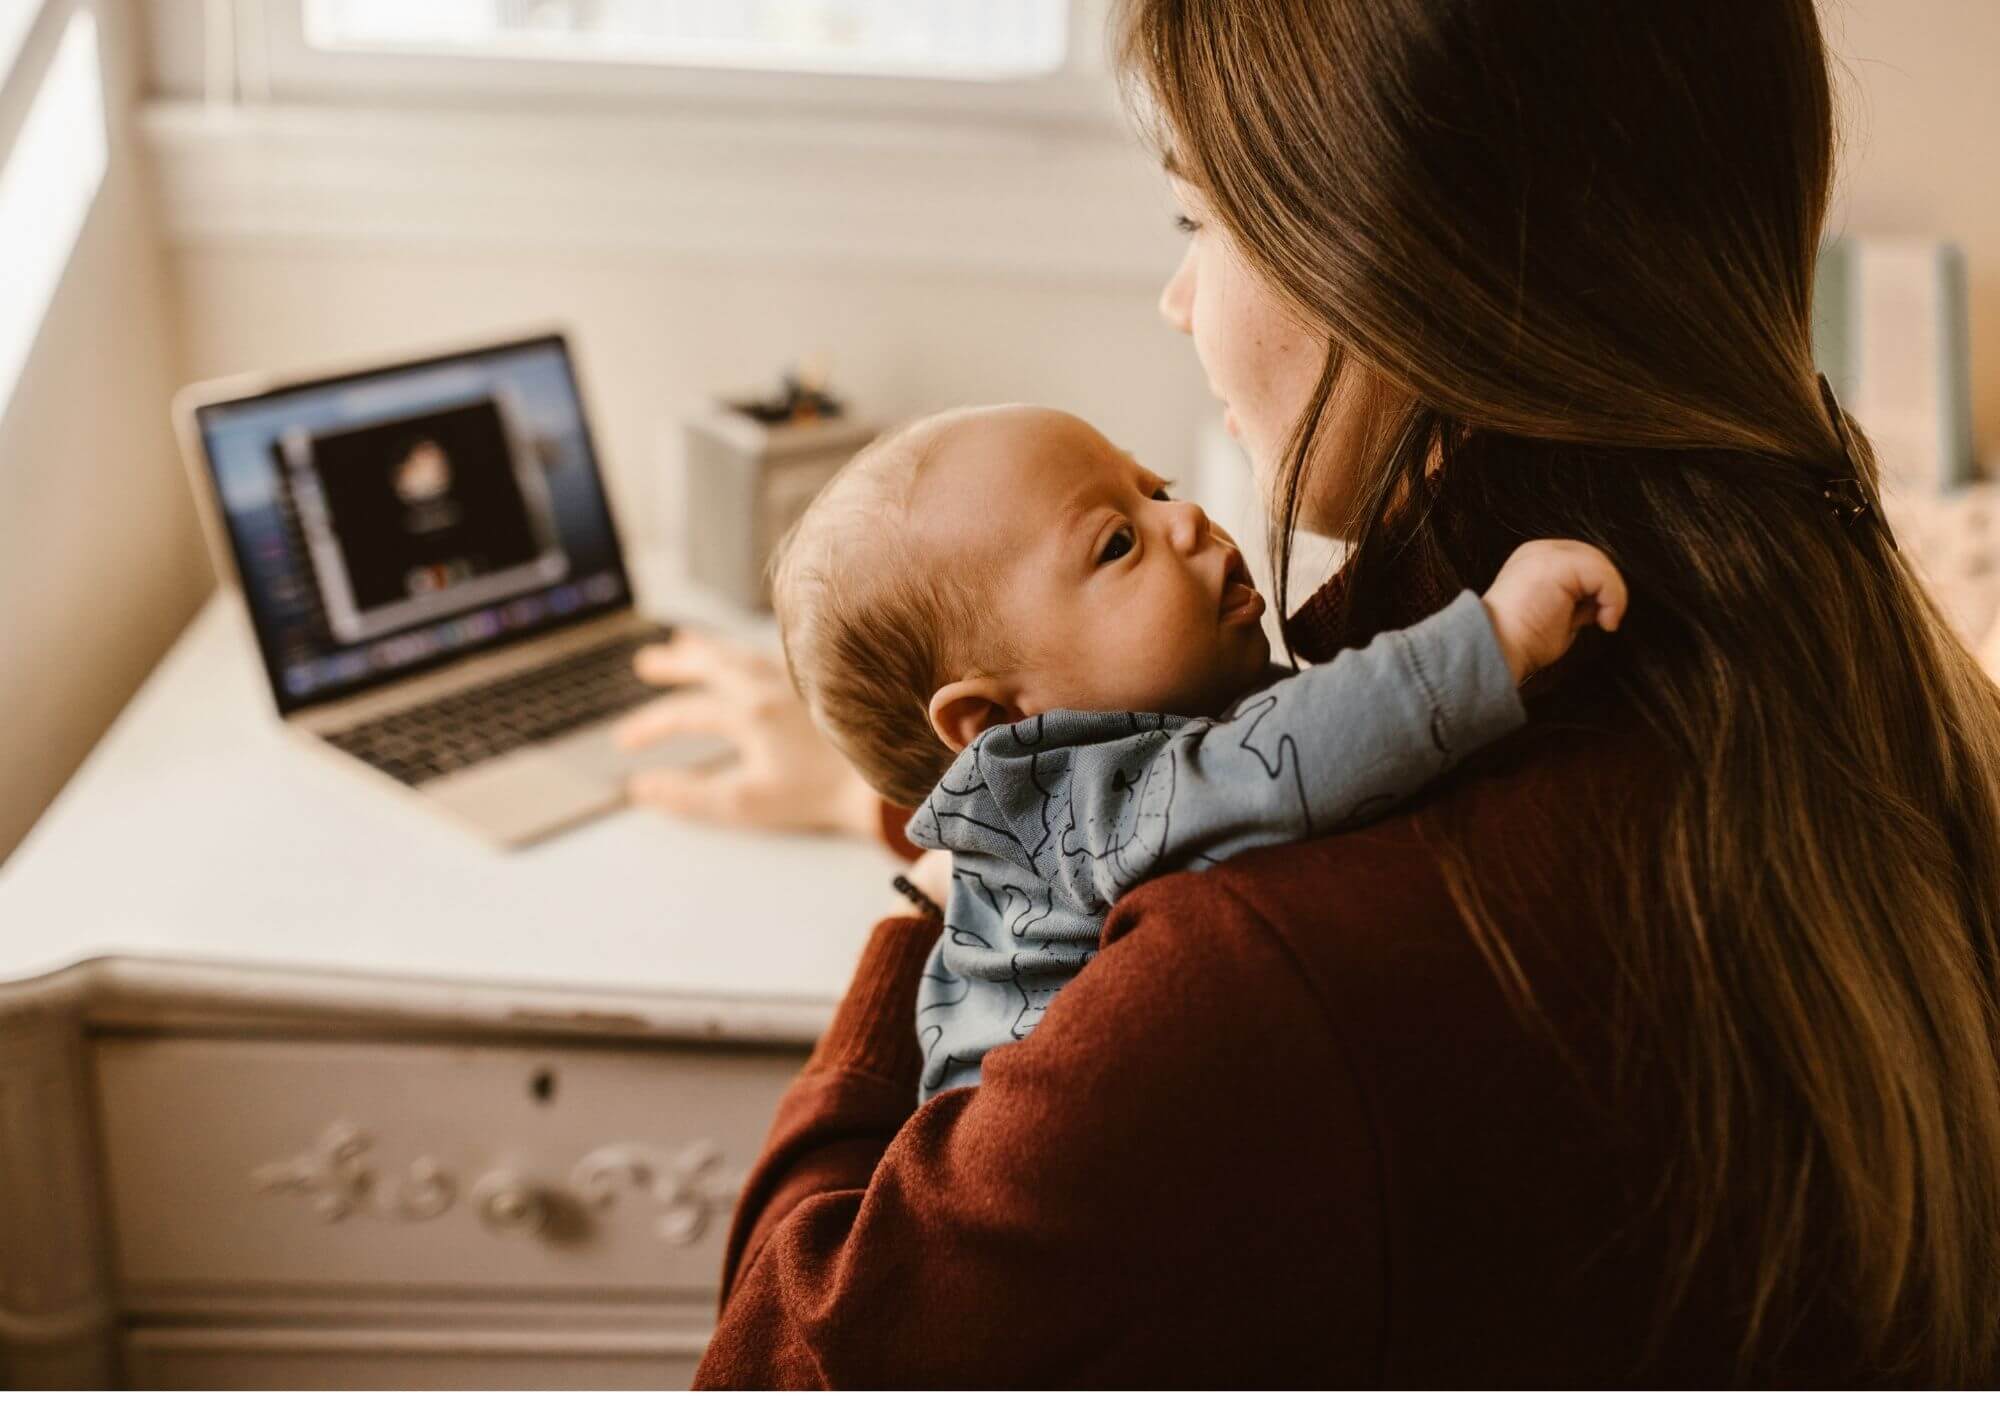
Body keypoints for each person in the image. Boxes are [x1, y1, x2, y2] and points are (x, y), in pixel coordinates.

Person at [616, 0, 2000, 1387]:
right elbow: (1260, 761)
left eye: (1195, 223)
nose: (1178, 301)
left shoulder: (1244, 981)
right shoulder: (1817, 669)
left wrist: (919, 916)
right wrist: (939, 805)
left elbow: (784, 1359)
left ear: (1397, 265)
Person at [766, 403, 1625, 1102]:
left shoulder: (1151, 754)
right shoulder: (1075, 791)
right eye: (1117, 542)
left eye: (1156, 490)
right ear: (996, 722)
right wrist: (1495, 637)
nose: (1184, 520)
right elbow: (1282, 760)